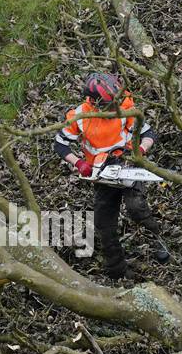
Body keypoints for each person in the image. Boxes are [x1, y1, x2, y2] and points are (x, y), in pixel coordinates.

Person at [54, 72, 169, 279]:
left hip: (125, 163)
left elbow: (149, 134)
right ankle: (117, 270)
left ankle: (157, 239)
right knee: (103, 223)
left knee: (136, 207)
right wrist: (79, 163)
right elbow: (60, 143)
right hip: (100, 171)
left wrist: (139, 151)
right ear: (94, 101)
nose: (112, 108)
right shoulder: (80, 116)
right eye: (108, 105)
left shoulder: (125, 107)